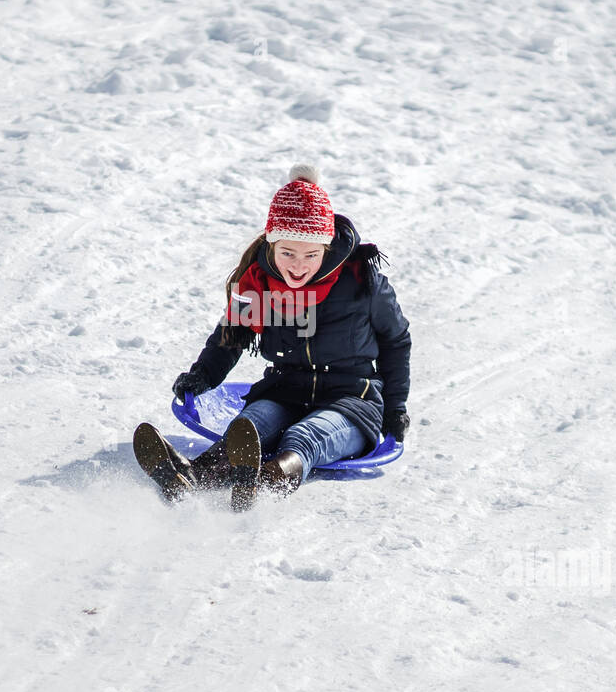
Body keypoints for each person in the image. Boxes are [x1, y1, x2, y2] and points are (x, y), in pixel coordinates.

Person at [133, 164, 411, 510]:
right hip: (284, 390)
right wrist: (202, 376)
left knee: (303, 437)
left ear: (327, 249)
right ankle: (188, 478)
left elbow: (395, 342)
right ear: (271, 244)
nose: (298, 266)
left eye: (311, 255)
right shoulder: (260, 283)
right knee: (250, 426)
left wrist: (395, 408)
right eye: (287, 253)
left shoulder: (361, 283)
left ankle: (264, 483)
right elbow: (231, 337)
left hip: (351, 401)